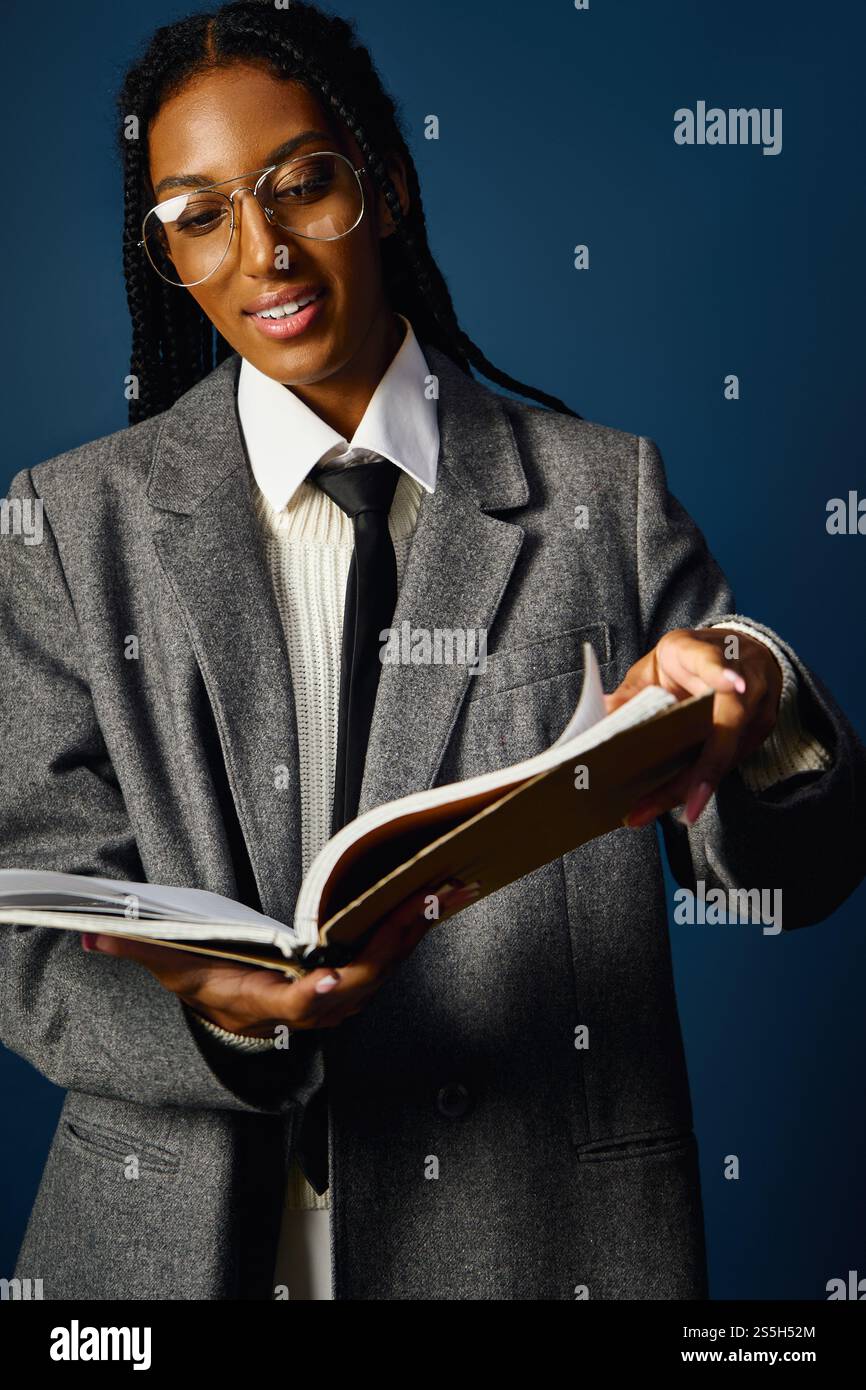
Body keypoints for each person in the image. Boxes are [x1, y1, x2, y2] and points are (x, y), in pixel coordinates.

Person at [2, 0, 864, 1301]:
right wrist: (219, 1023)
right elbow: (24, 929)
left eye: (304, 185)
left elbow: (789, 878)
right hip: (170, 1257)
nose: (264, 250)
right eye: (198, 213)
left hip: (536, 1238)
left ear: (386, 188)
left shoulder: (600, 494)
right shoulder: (67, 524)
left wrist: (756, 695)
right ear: (164, 251)